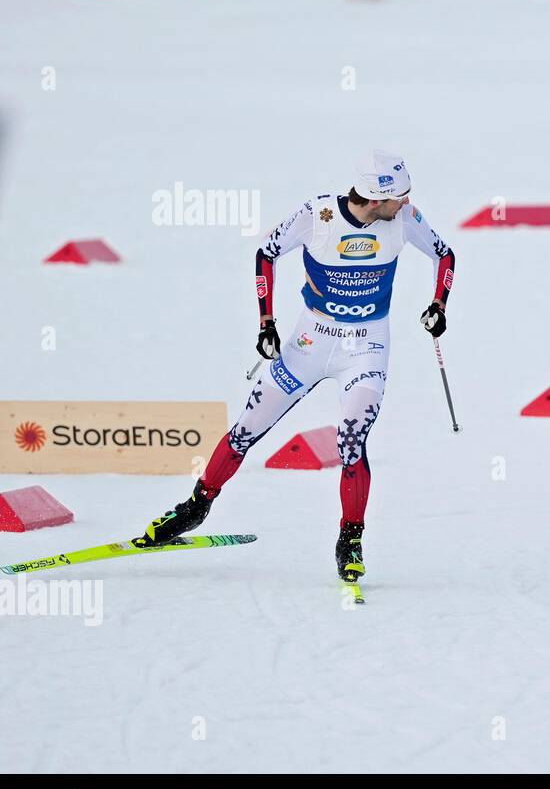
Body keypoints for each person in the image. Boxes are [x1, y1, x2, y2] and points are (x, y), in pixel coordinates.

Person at [138, 150, 455, 585]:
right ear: (376, 195)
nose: (406, 201)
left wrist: (439, 304)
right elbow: (266, 254)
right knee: (247, 428)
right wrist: (266, 322)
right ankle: (196, 506)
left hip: (365, 345)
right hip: (310, 342)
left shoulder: (405, 219)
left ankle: (351, 538)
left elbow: (444, 254)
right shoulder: (319, 214)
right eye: (398, 195)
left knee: (352, 440)